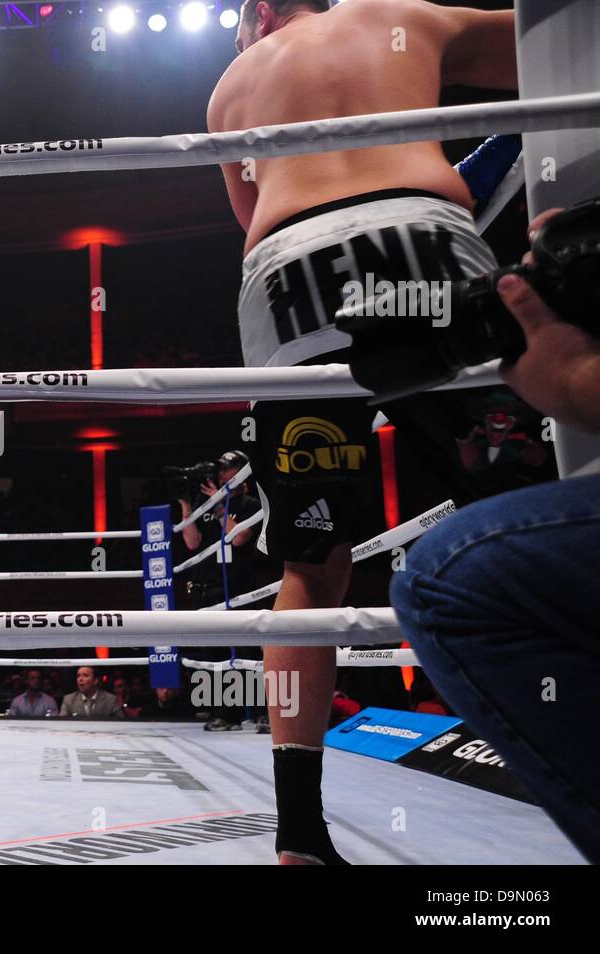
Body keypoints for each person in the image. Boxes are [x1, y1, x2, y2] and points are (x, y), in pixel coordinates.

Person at [208, 0, 517, 864]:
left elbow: (249, 221)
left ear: (262, 10)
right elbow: (552, 49)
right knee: (534, 486)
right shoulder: (405, 17)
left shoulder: (232, 86)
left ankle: (299, 839)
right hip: (422, 246)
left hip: (288, 277)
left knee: (309, 568)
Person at [391, 209, 600, 862]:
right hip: (513, 495)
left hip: (534, 493)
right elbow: (479, 467)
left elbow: (538, 460)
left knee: (446, 574)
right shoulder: (475, 422)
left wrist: (575, 381)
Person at [177, 450, 265, 731]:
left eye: (228, 469)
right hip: (208, 587)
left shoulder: (251, 503)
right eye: (221, 469)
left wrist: (218, 505)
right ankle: (225, 714)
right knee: (213, 652)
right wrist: (186, 504)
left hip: (237, 588)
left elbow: (239, 538)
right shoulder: (206, 502)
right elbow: (192, 543)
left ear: (241, 472)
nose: (222, 473)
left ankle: (257, 711)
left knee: (247, 650)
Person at [59, 667, 124, 718]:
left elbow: (121, 724)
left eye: (85, 675)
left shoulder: (111, 700)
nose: (80, 679)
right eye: (78, 676)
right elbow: (62, 725)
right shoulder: (68, 699)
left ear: (95, 681)